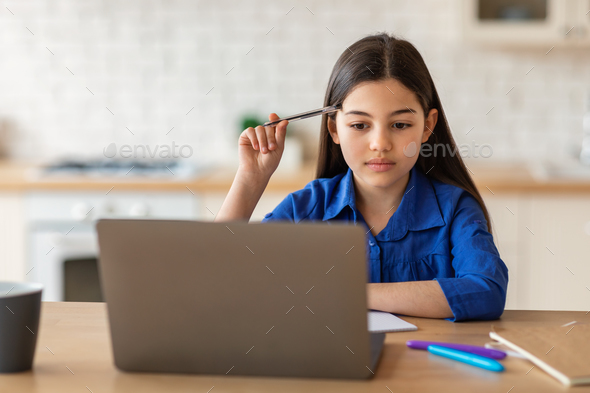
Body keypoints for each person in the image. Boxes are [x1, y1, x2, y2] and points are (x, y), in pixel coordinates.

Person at [215, 33, 508, 322]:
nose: (380, 143)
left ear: (427, 127)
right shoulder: (307, 208)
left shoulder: (456, 208)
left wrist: (351, 293)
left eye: (400, 124)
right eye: (359, 125)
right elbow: (217, 278)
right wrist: (250, 180)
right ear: (334, 130)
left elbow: (485, 291)